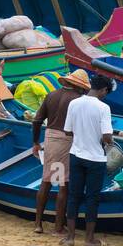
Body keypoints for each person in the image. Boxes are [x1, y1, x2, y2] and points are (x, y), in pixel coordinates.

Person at [31, 69, 89, 235]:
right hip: (66, 141)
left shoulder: (52, 95)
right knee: (63, 184)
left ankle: (38, 224)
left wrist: (35, 142)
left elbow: (37, 121)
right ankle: (57, 227)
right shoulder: (78, 99)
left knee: (47, 180)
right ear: (80, 87)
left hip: (49, 138)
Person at [61, 73, 115, 246]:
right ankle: (89, 240)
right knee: (92, 198)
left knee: (73, 196)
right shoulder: (103, 108)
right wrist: (110, 142)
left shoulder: (74, 103)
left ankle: (70, 238)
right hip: (95, 159)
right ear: (104, 90)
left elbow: (68, 131)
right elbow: (107, 136)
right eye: (107, 92)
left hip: (76, 154)